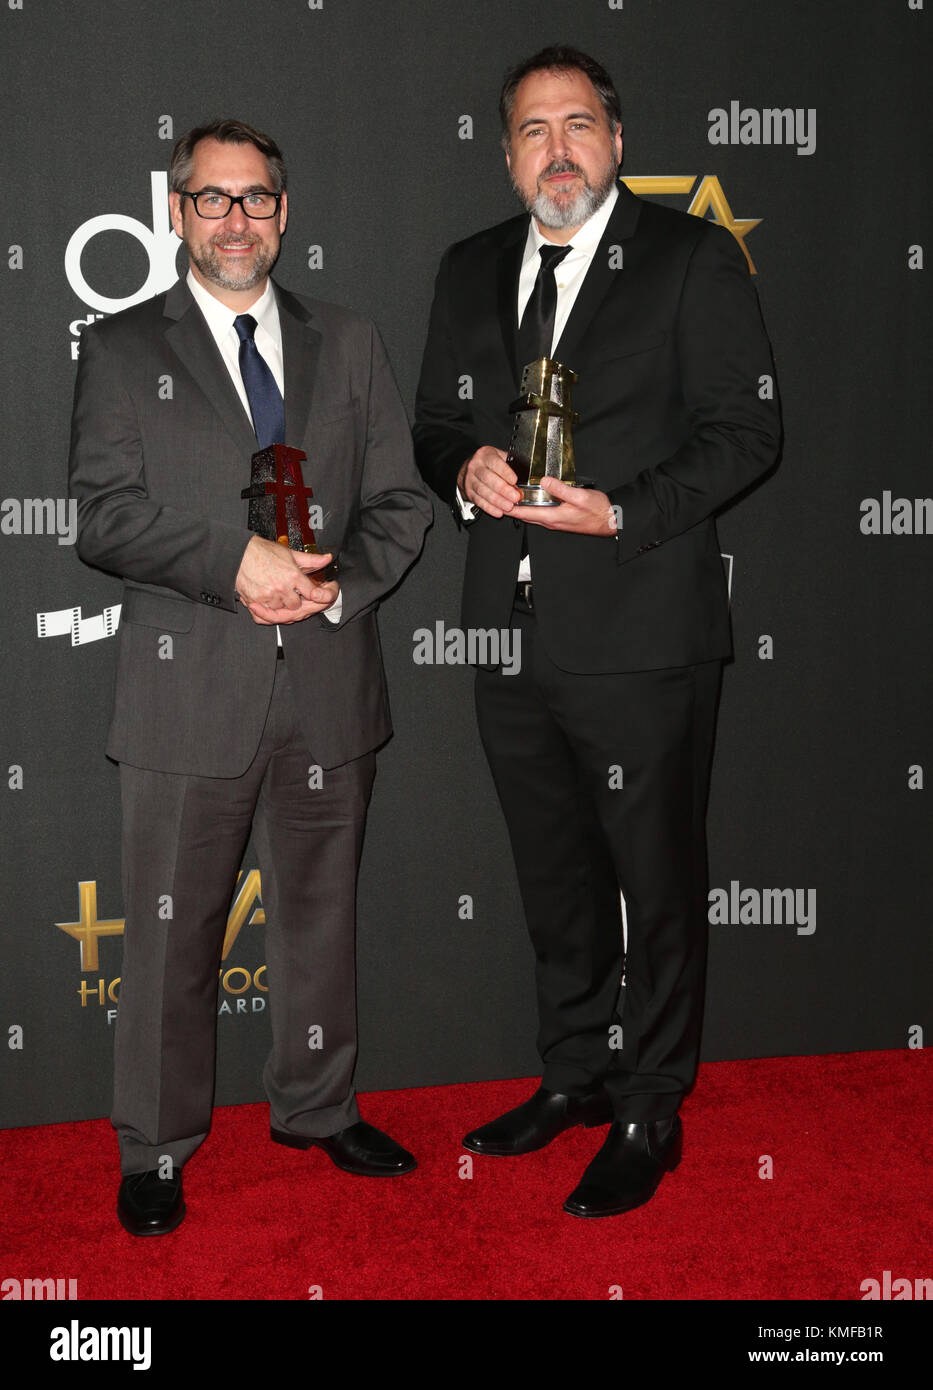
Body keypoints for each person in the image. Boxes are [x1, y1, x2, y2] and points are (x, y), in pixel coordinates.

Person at [413, 47, 780, 1217]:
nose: (557, 148)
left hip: (643, 629)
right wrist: (461, 469)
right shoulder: (469, 269)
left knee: (658, 880)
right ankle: (573, 1076)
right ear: (507, 153)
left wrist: (623, 511)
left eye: (579, 124)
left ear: (618, 142)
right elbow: (432, 421)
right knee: (554, 875)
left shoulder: (689, 256)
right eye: (533, 129)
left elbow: (746, 432)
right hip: (505, 635)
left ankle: (649, 1107)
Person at [69, 118, 432, 1236]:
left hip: (328, 678)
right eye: (212, 199)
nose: (236, 220)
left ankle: (318, 1109)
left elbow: (402, 504)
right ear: (177, 212)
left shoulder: (352, 339)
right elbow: (107, 517)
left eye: (257, 199)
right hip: (190, 695)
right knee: (175, 936)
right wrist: (238, 563)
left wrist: (336, 587)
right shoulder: (125, 346)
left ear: (286, 213)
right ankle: (156, 1145)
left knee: (321, 923)